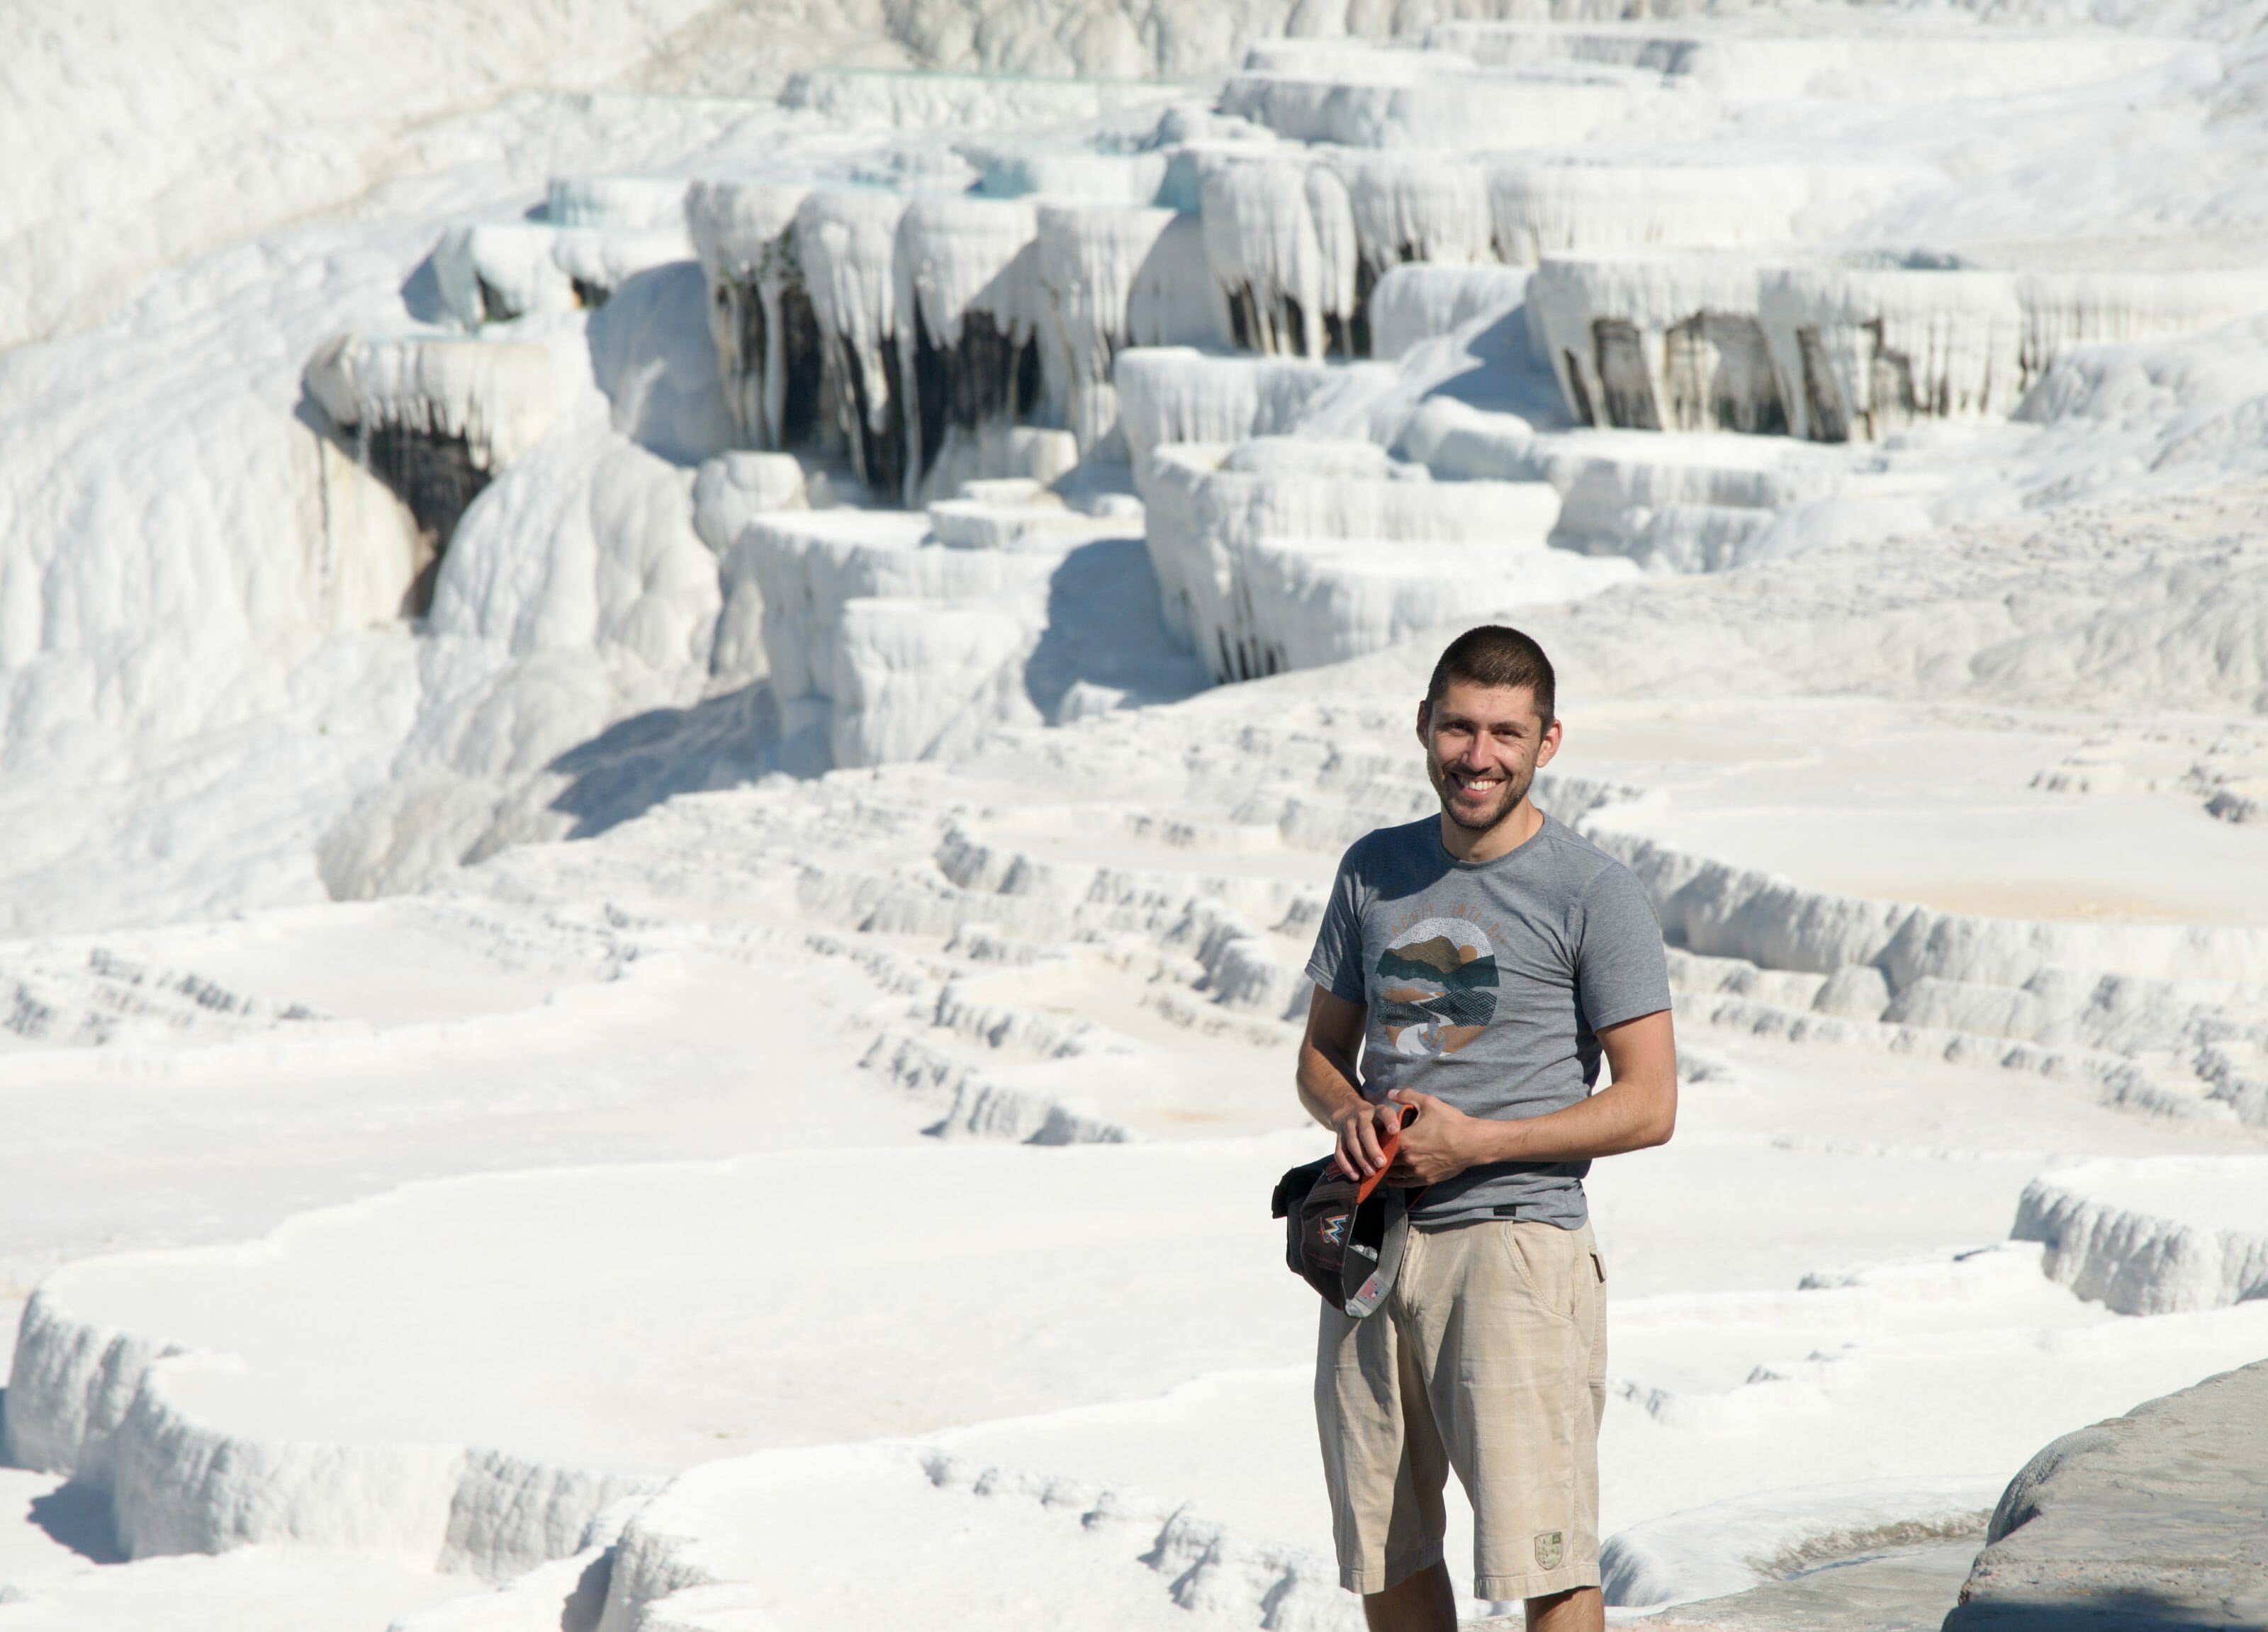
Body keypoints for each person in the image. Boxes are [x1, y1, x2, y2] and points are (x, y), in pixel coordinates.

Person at [1296, 624, 1678, 1632]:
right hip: (1374, 1248)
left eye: (1506, 732)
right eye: (1459, 726)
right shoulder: (1372, 870)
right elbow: (1320, 1055)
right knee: (1386, 1551)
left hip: (1517, 1248)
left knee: (1545, 1558)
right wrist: (1351, 1111)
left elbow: (1651, 1103)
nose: (1479, 755)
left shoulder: (1595, 892)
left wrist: (1478, 1143)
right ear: (1423, 727)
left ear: (1547, 742)